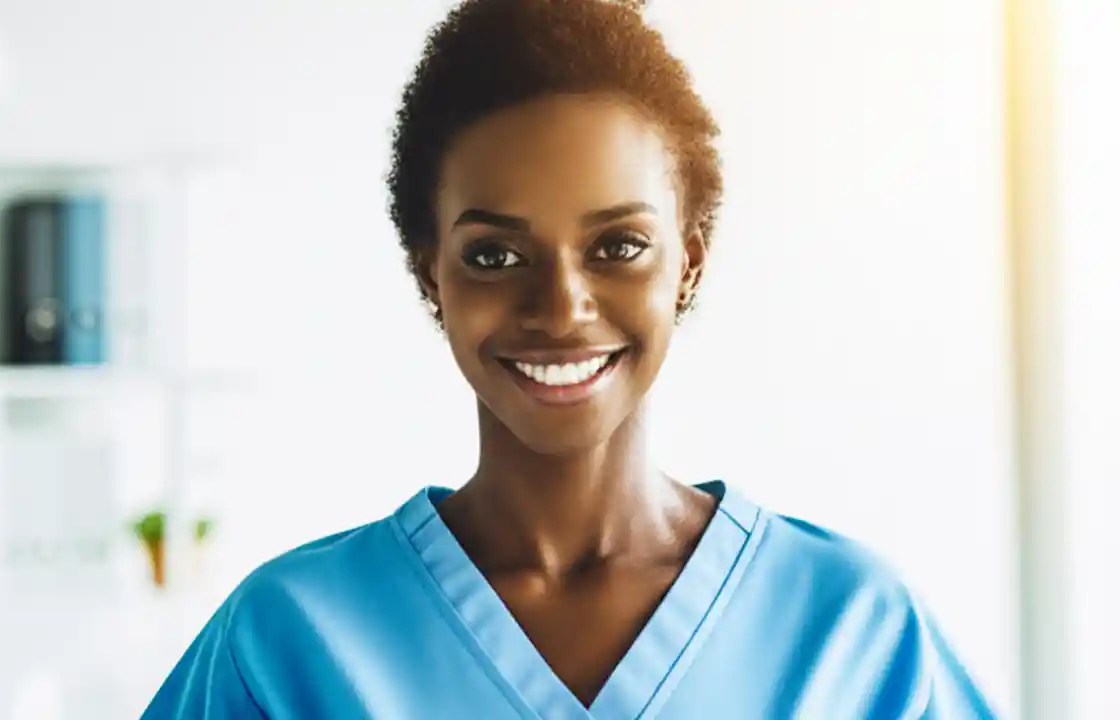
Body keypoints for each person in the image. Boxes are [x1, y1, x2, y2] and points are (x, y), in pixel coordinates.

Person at [142, 1, 997, 717]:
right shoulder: (288, 643)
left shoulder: (856, 632)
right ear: (428, 270)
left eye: (618, 245)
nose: (560, 308)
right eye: (494, 255)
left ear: (688, 262)